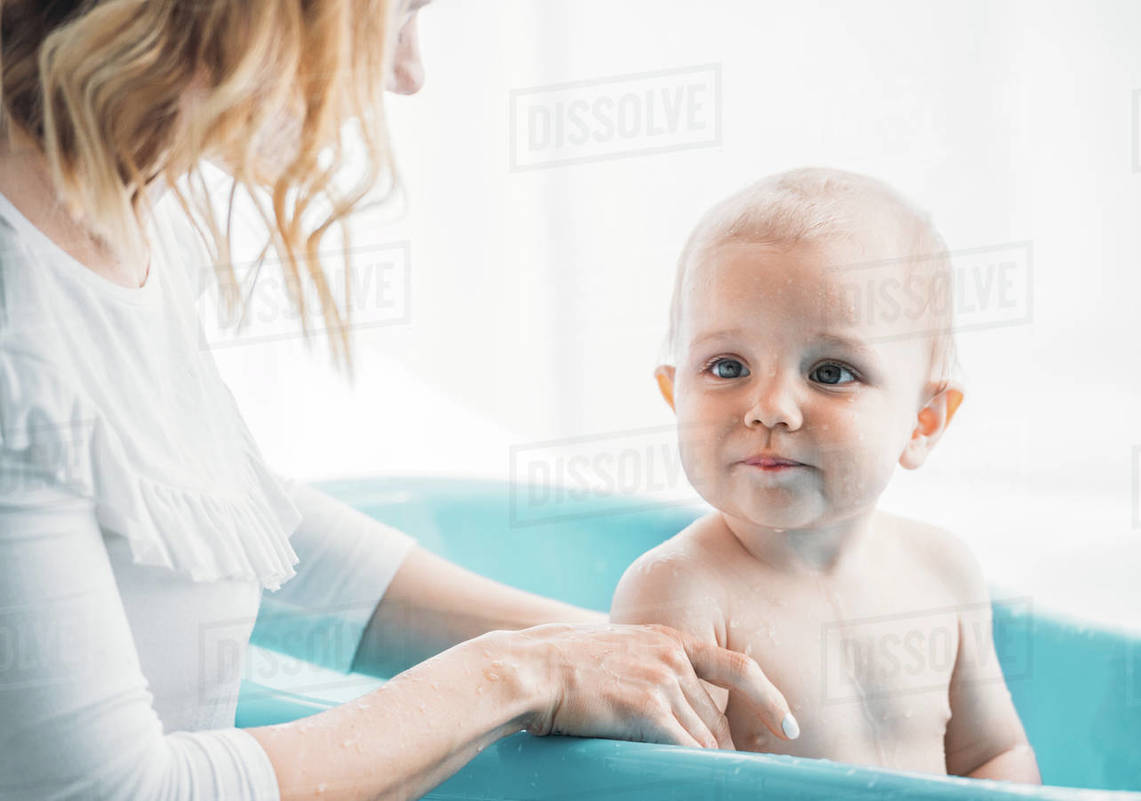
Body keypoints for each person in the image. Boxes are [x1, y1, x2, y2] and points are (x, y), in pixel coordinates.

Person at [0, 2, 798, 800]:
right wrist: (523, 671)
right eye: (399, 15)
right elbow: (113, 792)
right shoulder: (17, 321)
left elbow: (200, 530)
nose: (408, 73)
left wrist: (611, 646)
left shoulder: (123, 208)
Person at [610, 168, 1042, 781]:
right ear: (674, 392)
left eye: (831, 372)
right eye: (728, 366)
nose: (771, 408)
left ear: (923, 422)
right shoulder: (681, 591)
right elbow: (668, 791)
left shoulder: (944, 572)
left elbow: (992, 754)